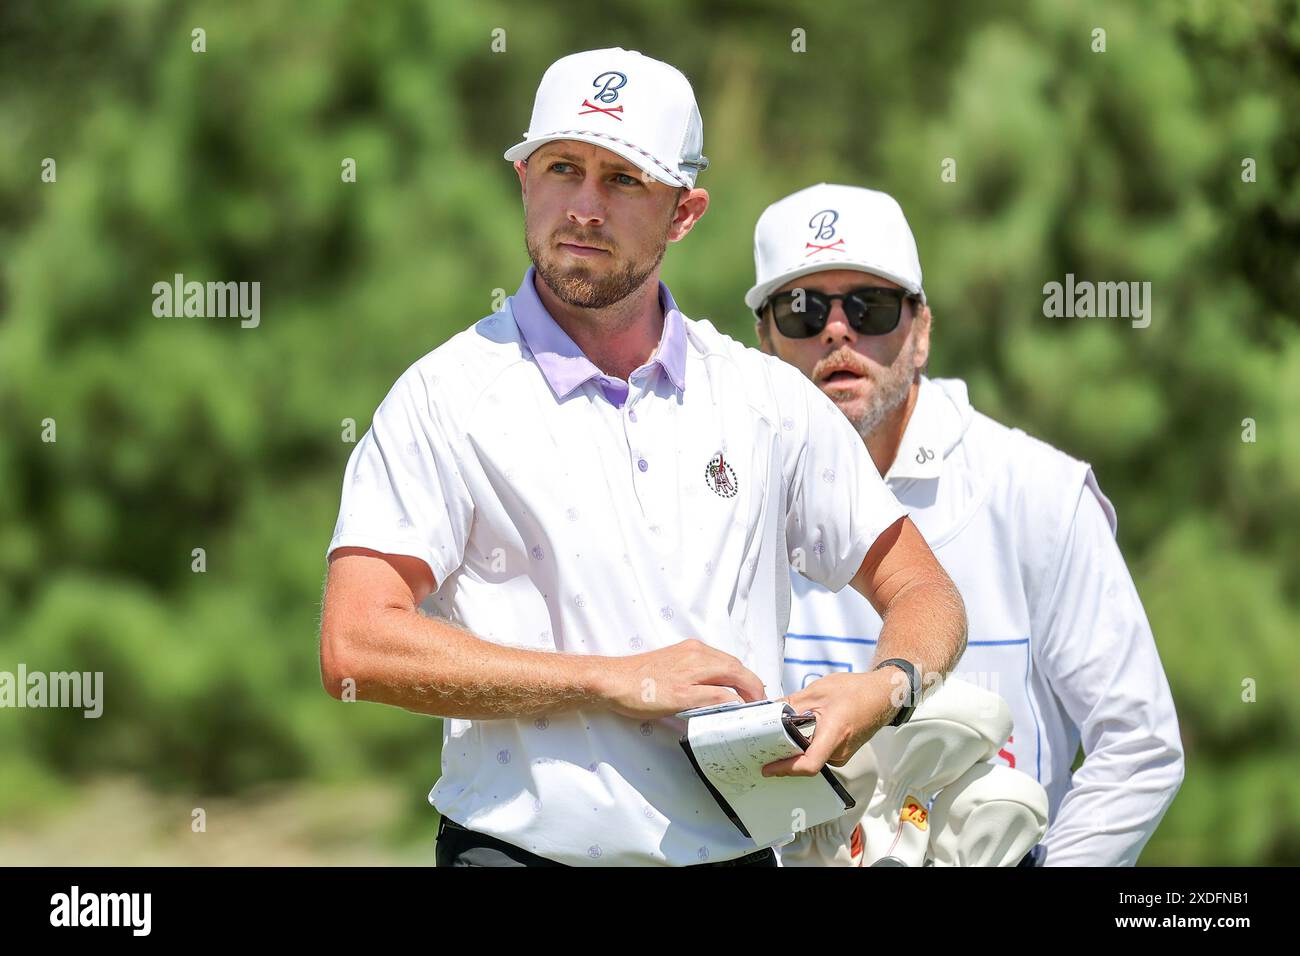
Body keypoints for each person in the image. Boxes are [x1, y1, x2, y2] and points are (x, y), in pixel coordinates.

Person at [318, 53, 968, 867]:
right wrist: (608, 680)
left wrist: (886, 687)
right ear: (524, 180)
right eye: (563, 168)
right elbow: (356, 643)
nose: (584, 207)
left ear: (684, 213)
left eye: (624, 179)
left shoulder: (766, 400)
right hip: (514, 855)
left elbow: (925, 590)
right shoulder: (443, 397)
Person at [751, 183, 1184, 866]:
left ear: (921, 331)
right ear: (765, 340)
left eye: (870, 306)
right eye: (801, 309)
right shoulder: (726, 496)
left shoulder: (1037, 492)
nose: (837, 330)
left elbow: (1139, 743)